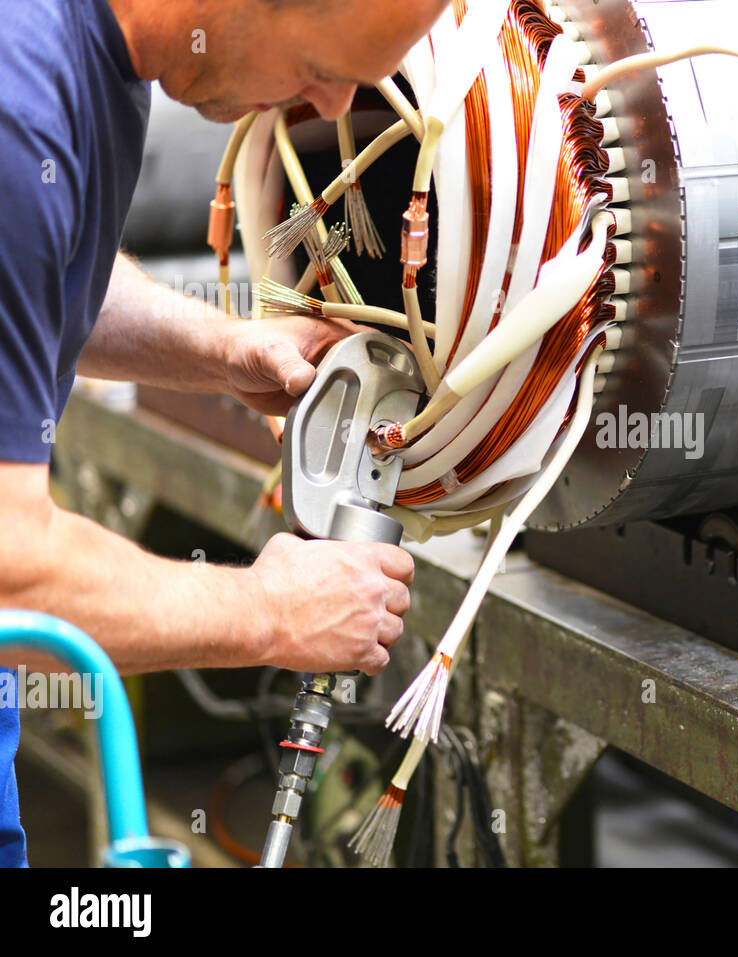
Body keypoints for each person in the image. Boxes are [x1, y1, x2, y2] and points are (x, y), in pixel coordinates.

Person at [0, 0, 452, 867]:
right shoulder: (19, 117)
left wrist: (223, 347)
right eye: (324, 66)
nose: (331, 108)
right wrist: (271, 612)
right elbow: (10, 568)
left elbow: (42, 272)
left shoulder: (97, 57)